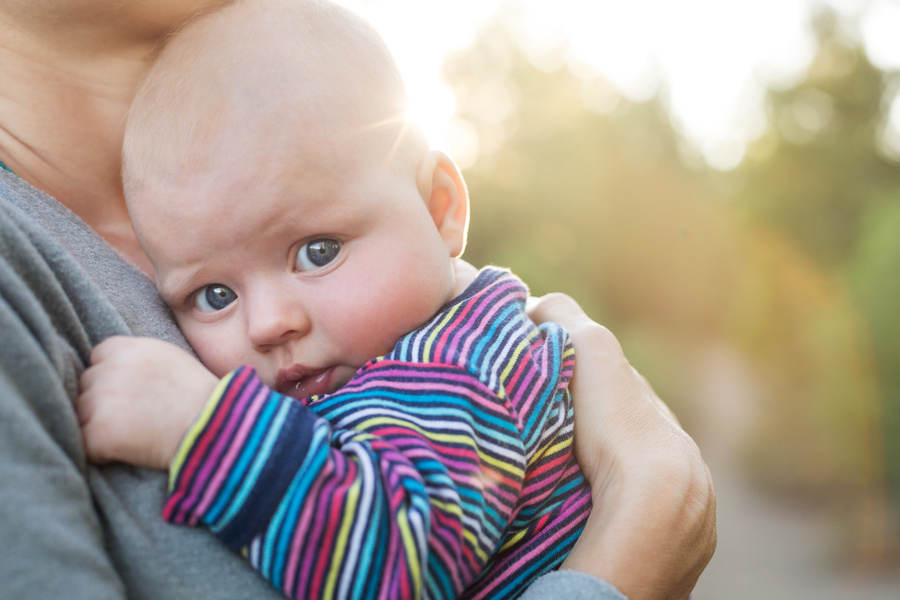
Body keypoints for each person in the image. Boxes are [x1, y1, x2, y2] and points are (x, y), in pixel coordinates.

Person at [0, 1, 715, 599]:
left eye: (318, 251)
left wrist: (205, 434)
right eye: (213, 295)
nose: (270, 322)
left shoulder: (453, 365)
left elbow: (405, 560)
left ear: (440, 209)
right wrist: (633, 550)